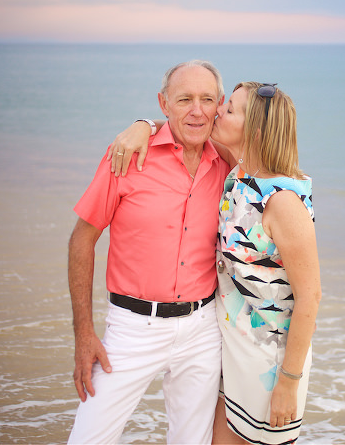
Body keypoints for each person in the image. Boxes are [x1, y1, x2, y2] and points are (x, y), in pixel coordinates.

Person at [110, 81, 321, 445]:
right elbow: (186, 126)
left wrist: (289, 380)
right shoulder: (237, 174)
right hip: (227, 351)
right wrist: (144, 124)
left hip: (267, 364)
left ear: (254, 132)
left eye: (230, 109)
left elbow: (311, 297)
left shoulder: (283, 203)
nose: (217, 110)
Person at [67, 59, 231, 444]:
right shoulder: (126, 156)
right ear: (163, 103)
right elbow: (81, 240)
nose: (196, 110)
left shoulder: (226, 163)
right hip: (132, 328)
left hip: (203, 327)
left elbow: (272, 153)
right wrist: (84, 333)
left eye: (207, 99)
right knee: (88, 439)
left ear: (219, 104)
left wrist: (146, 124)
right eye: (184, 99)